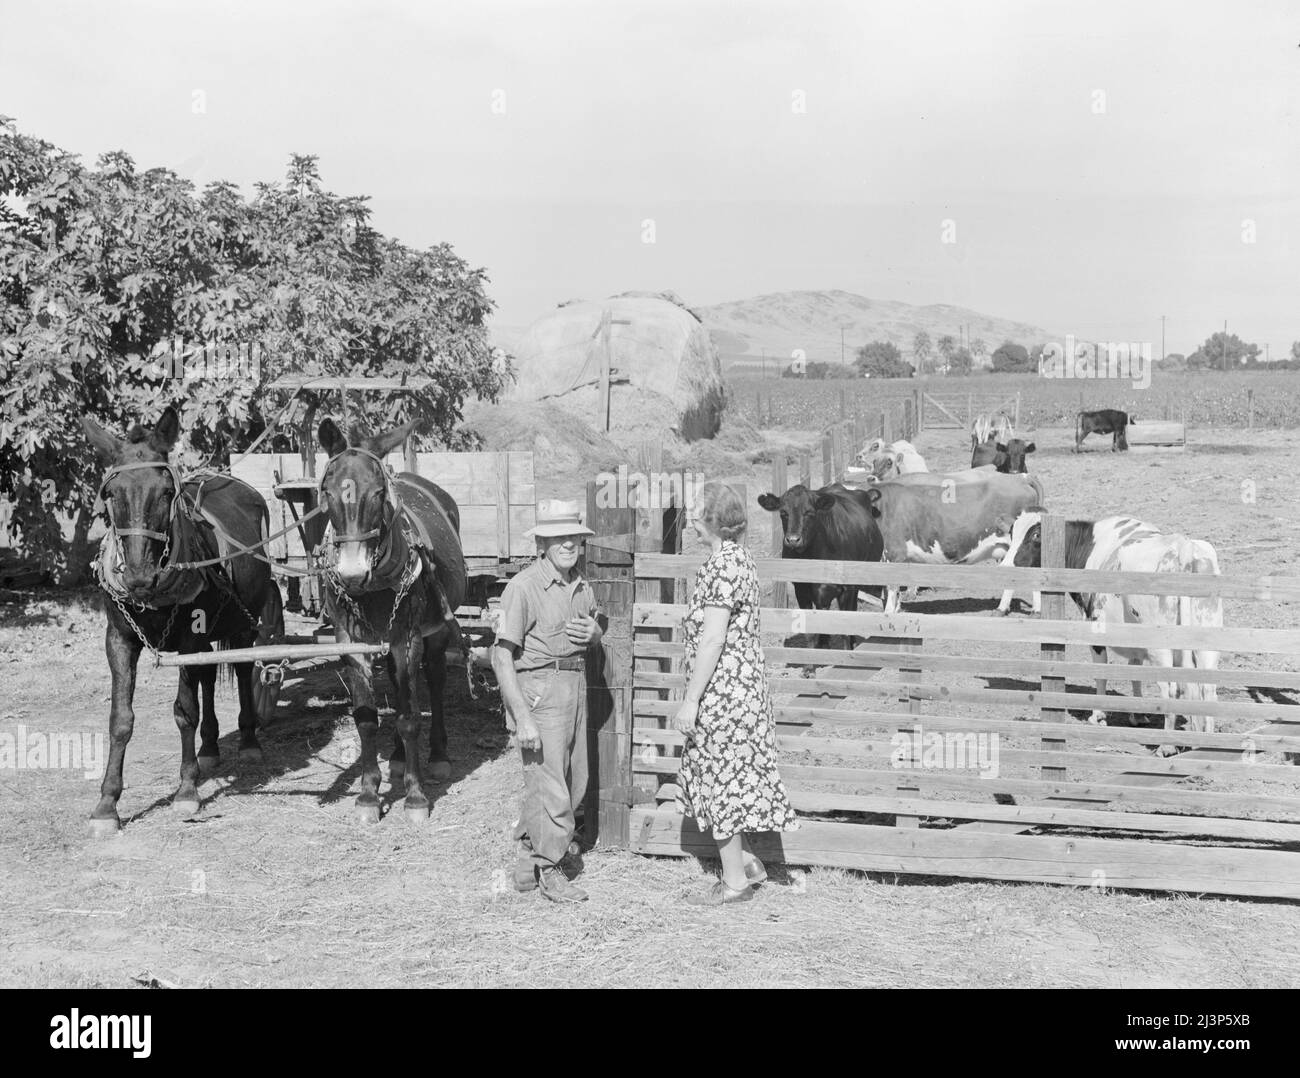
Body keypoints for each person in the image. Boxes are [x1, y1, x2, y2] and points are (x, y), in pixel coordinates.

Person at [673, 482, 799, 906]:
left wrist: (691, 700)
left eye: (696, 511)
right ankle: (746, 863)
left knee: (720, 780)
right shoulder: (738, 558)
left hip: (723, 693)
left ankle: (734, 884)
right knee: (729, 776)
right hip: (742, 689)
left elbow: (713, 639)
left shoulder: (722, 566)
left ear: (712, 520)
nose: (691, 519)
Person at [492, 499, 603, 904]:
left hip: (575, 684)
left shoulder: (582, 586)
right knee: (550, 783)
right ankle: (548, 868)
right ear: (541, 543)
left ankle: (528, 859)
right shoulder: (523, 588)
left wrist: (595, 635)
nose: (568, 544)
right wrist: (522, 716)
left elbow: (594, 629)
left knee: (573, 780)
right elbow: (501, 656)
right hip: (540, 689)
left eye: (573, 536)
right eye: (558, 538)